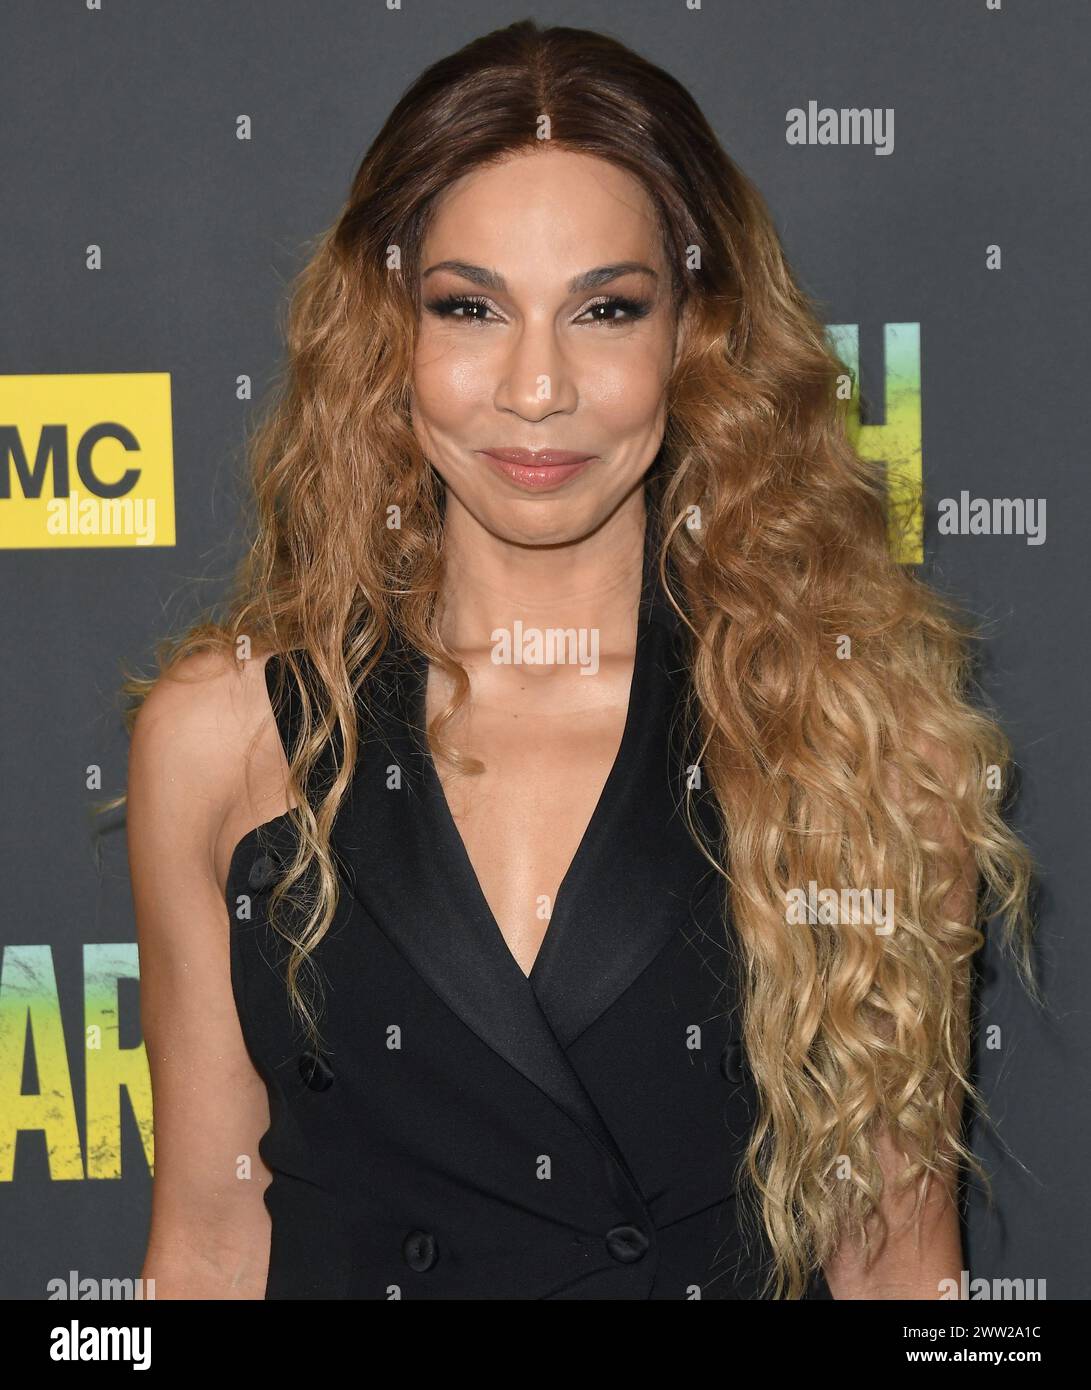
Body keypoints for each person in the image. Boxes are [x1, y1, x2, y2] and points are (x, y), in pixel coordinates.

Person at [123, 19, 1034, 1299]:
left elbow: (895, 1266)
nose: (536, 386)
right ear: (389, 337)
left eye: (605, 308)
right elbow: (211, 1247)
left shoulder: (862, 738)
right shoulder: (224, 733)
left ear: (693, 337)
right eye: (469, 307)